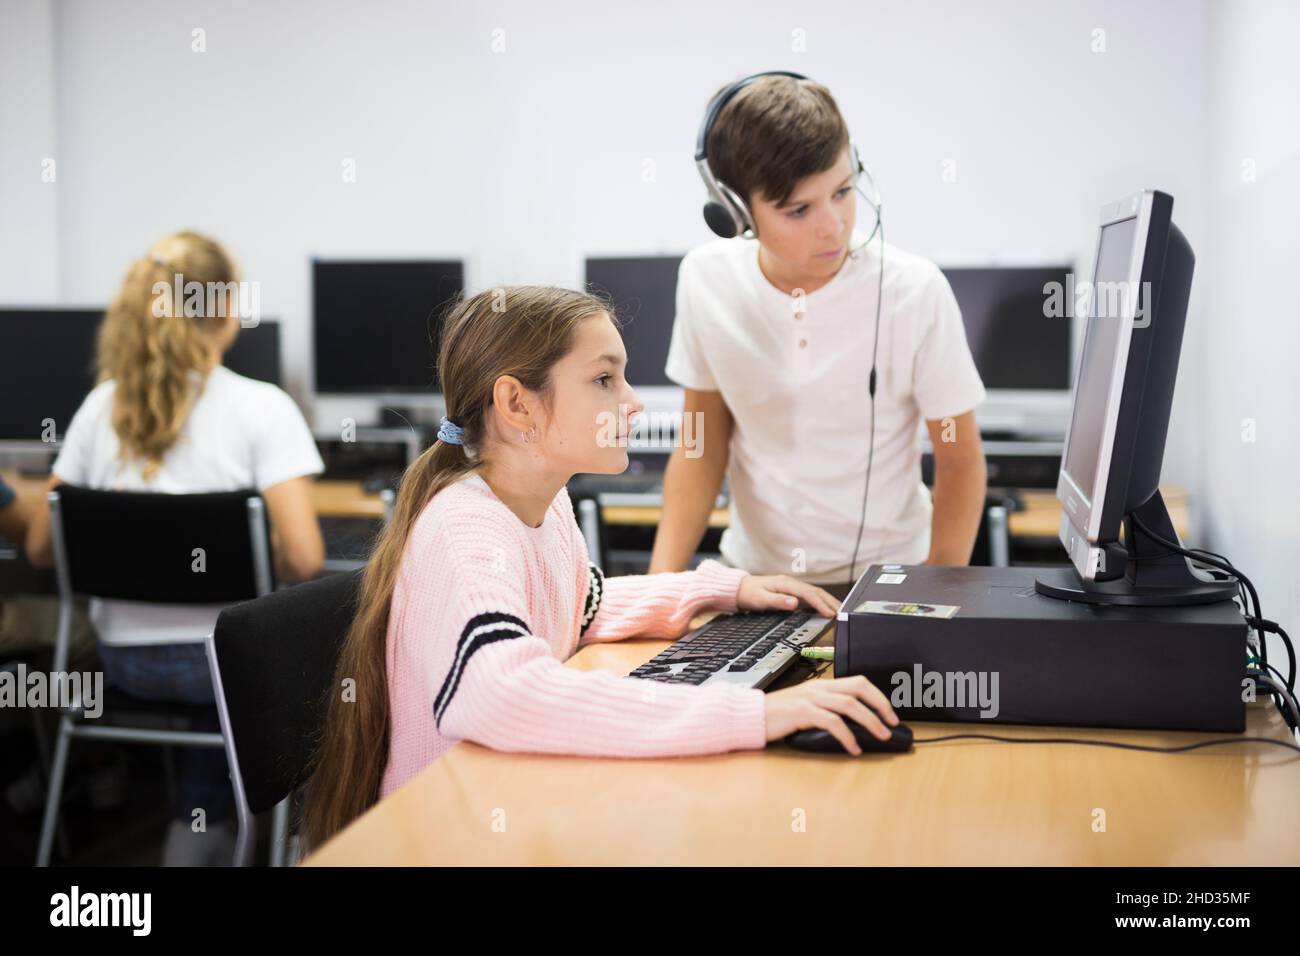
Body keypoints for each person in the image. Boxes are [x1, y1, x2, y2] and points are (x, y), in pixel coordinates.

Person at [301, 286, 899, 850]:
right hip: (457, 836)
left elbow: (578, 604)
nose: (633, 402)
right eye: (605, 380)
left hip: (508, 811)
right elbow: (501, 695)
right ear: (516, 404)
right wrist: (752, 712)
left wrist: (719, 590)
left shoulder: (542, 503)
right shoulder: (466, 531)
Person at [25, 231, 326, 865]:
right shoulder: (261, 409)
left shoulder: (97, 410)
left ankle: (199, 824)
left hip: (126, 665)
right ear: (226, 309)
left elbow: (40, 549)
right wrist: (250, 543)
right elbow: (303, 559)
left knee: (220, 693)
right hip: (222, 668)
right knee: (318, 646)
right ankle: (263, 836)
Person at [651, 73, 988, 587]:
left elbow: (959, 459)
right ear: (736, 213)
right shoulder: (706, 279)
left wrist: (937, 598)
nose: (833, 224)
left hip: (891, 579)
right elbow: (702, 446)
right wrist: (661, 590)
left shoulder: (914, 291)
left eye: (843, 191)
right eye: (799, 209)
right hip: (759, 582)